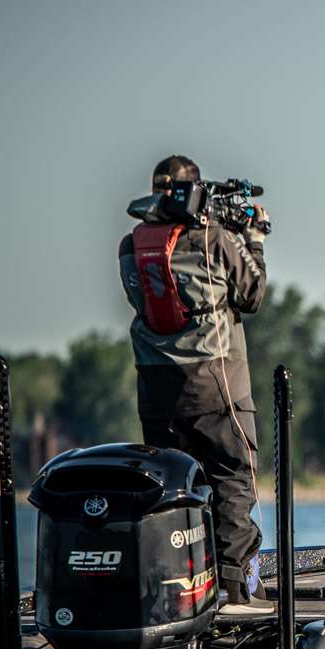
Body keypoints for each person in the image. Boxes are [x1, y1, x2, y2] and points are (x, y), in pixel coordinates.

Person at [119, 155, 272, 615]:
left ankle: (175, 588)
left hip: (156, 391)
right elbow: (253, 293)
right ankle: (235, 591)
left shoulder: (130, 245)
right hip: (217, 384)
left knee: (171, 489)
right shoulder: (218, 240)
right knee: (232, 480)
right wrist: (254, 237)